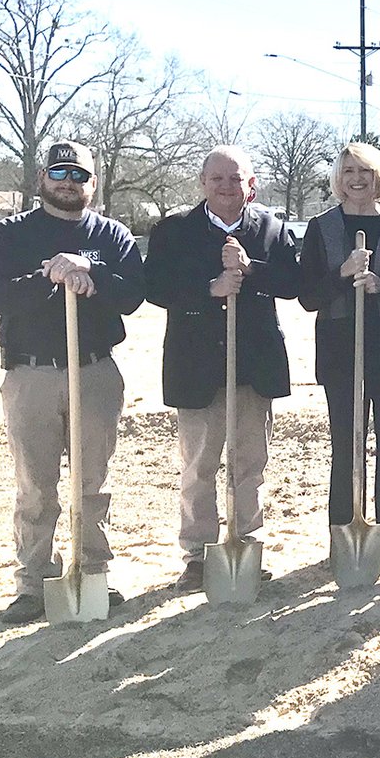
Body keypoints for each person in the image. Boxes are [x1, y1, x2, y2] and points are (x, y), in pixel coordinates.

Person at [0, 141, 145, 623]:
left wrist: (93, 270)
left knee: (92, 481)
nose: (69, 181)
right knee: (35, 484)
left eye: (79, 174)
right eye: (59, 172)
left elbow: (133, 295)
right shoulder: (11, 233)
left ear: (94, 183)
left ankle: (92, 574)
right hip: (31, 374)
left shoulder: (112, 235)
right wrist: (49, 275)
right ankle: (34, 584)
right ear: (42, 179)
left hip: (94, 371)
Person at [145, 146, 300, 592]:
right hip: (197, 366)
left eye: (236, 179)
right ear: (203, 183)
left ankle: (246, 541)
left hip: (255, 365)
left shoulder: (270, 228)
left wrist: (253, 270)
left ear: (251, 185)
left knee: (250, 464)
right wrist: (209, 288)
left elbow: (295, 284)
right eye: (218, 179)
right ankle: (198, 553)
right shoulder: (174, 231)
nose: (227, 187)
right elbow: (154, 286)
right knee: (199, 466)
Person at [300, 142, 380, 556]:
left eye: (365, 172)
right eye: (348, 170)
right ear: (339, 177)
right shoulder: (321, 227)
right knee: (346, 442)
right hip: (340, 348)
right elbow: (308, 295)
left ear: (378, 178)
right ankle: (342, 528)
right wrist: (342, 273)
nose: (356, 179)